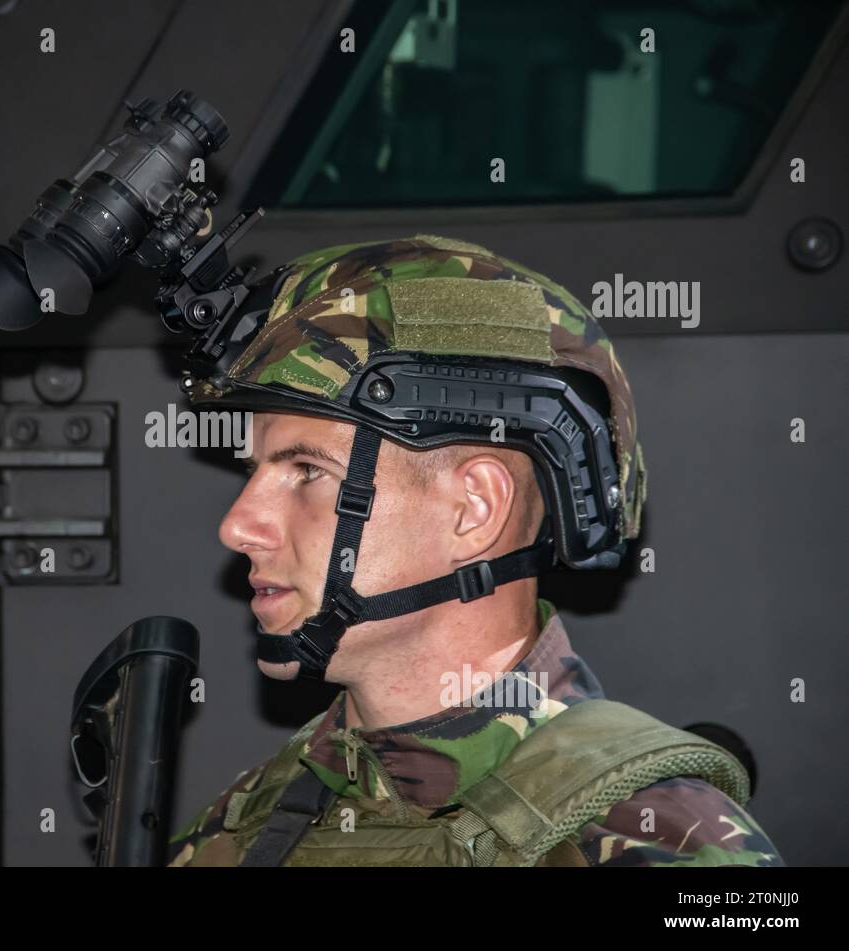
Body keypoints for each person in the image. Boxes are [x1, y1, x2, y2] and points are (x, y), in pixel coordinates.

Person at [165, 234, 782, 867]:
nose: (239, 526)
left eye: (306, 471)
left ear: (474, 510)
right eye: (253, 472)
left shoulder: (661, 841)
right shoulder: (246, 820)